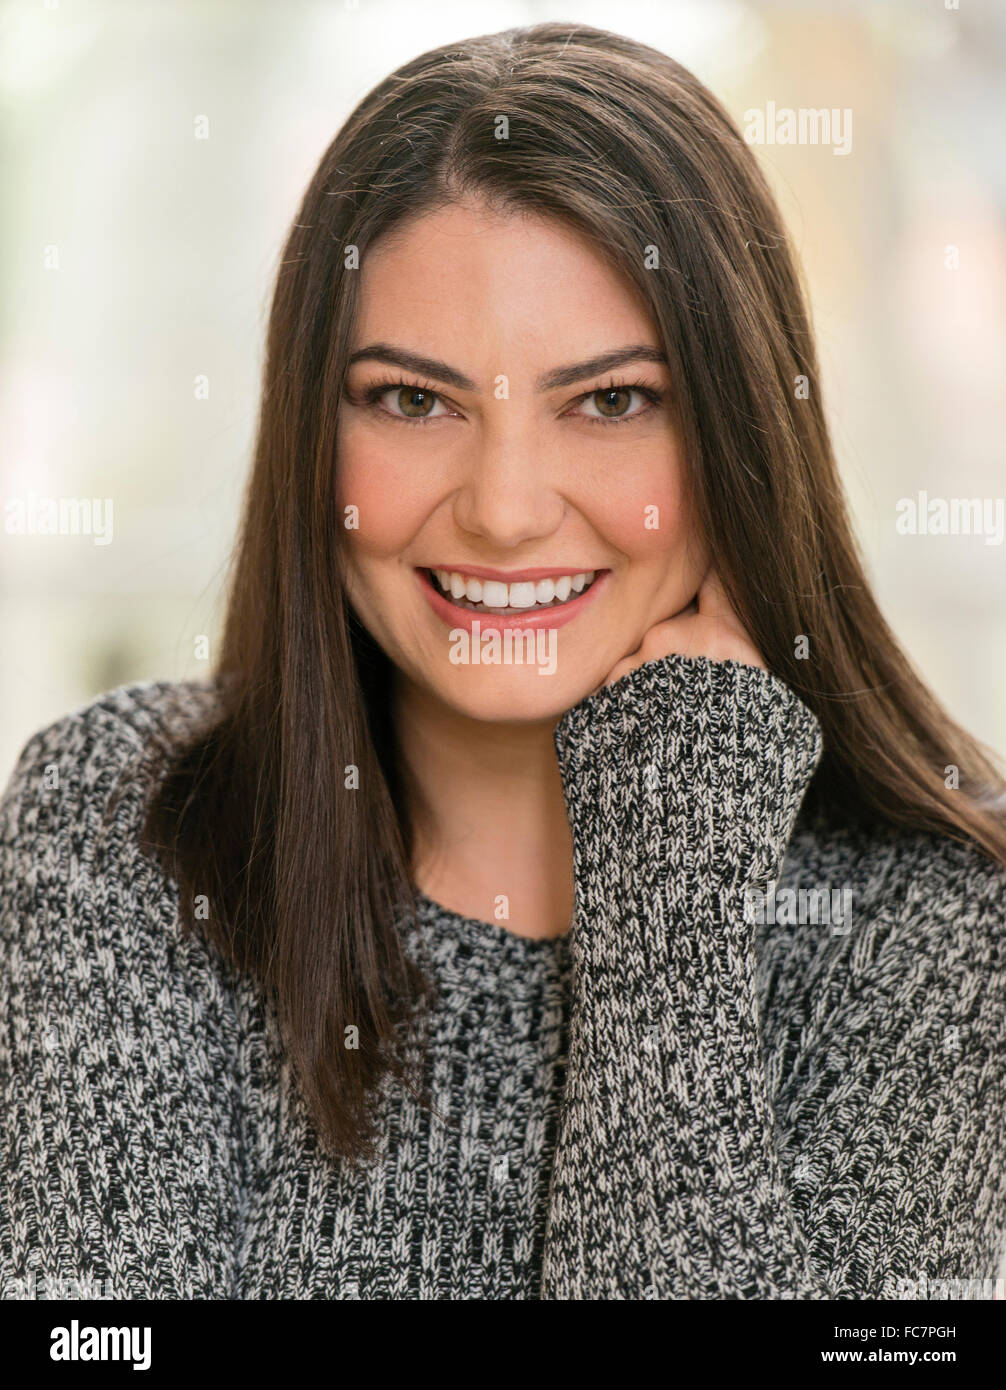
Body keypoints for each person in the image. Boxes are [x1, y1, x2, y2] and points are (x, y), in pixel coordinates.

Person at [2, 22, 1004, 1301]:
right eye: (412, 401)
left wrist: (671, 879)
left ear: (742, 436)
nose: (505, 508)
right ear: (315, 430)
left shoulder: (935, 919)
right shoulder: (122, 824)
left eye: (610, 401)